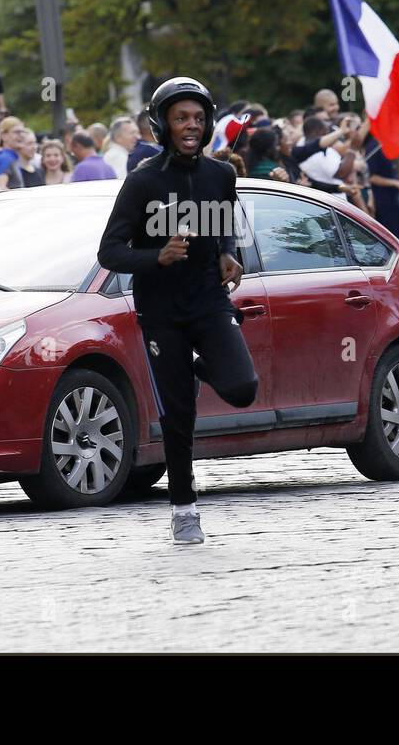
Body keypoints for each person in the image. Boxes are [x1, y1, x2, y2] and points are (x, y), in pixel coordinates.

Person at [97, 76, 259, 545]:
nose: (191, 125)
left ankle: (195, 364)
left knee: (243, 386)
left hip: (209, 302)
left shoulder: (221, 175)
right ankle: (184, 508)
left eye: (198, 118)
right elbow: (110, 251)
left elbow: (225, 227)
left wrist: (228, 254)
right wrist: (156, 257)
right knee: (178, 415)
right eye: (180, 118)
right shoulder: (144, 180)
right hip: (161, 312)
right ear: (162, 125)